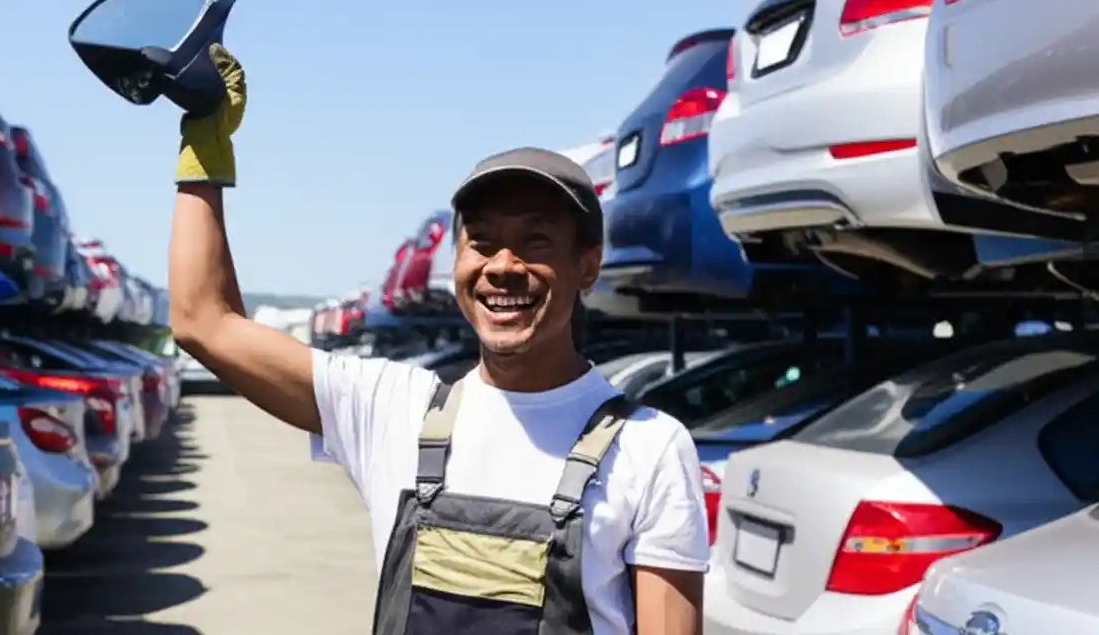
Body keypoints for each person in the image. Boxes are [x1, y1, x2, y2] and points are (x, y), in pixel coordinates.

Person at [170, 44, 708, 634]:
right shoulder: (389, 408)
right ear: (455, 260)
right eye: (481, 241)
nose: (502, 265)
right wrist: (205, 144)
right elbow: (204, 321)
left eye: (536, 242)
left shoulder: (650, 449)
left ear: (589, 266)